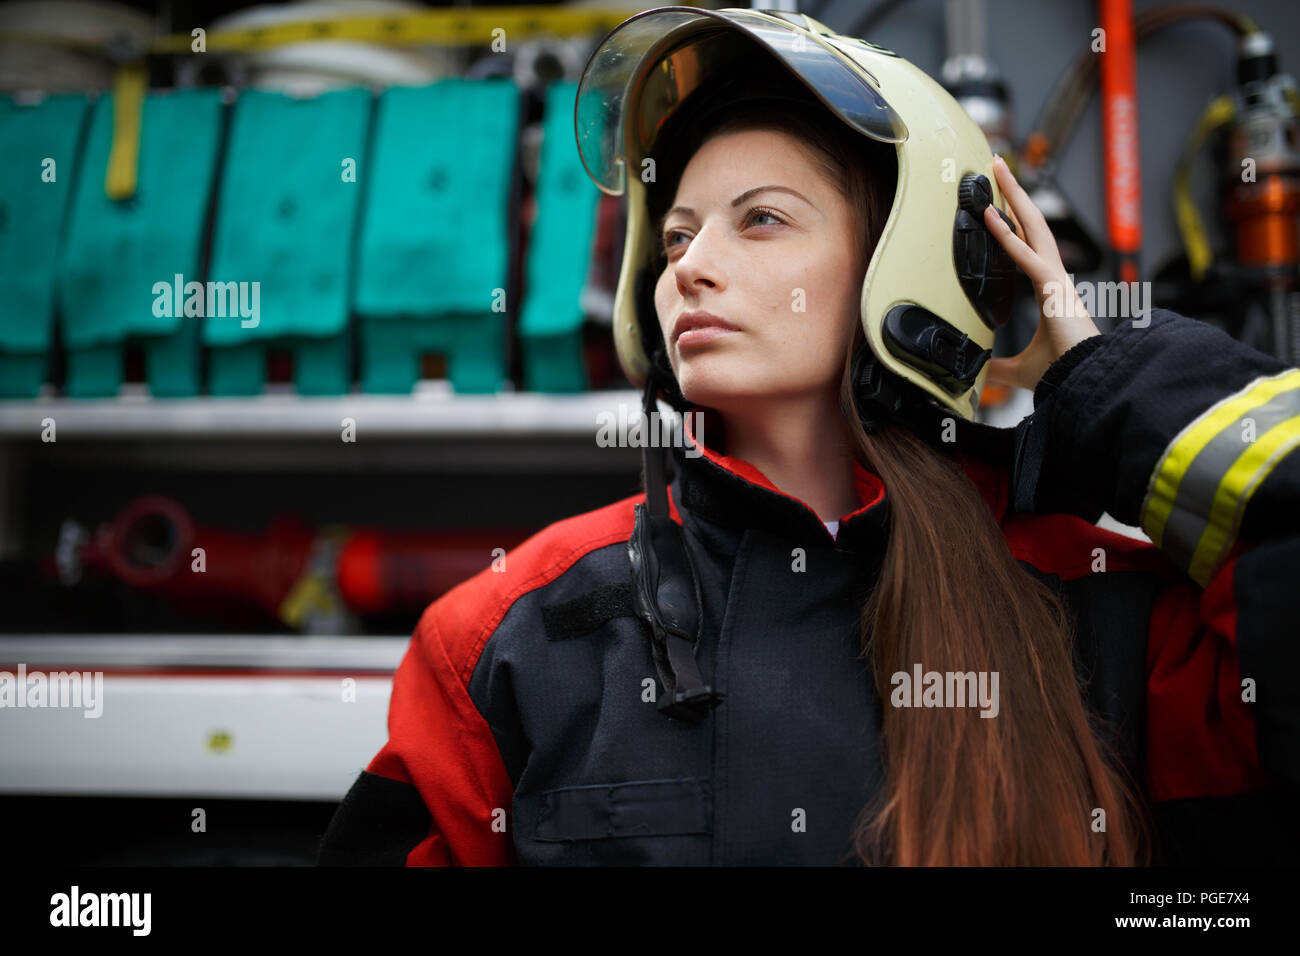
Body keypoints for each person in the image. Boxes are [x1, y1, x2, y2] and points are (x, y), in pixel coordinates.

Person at [317, 8, 1300, 866]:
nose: (689, 269)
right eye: (674, 237)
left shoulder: (1100, 605)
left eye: (760, 221)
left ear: (910, 259)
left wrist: (1103, 377)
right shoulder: (511, 634)